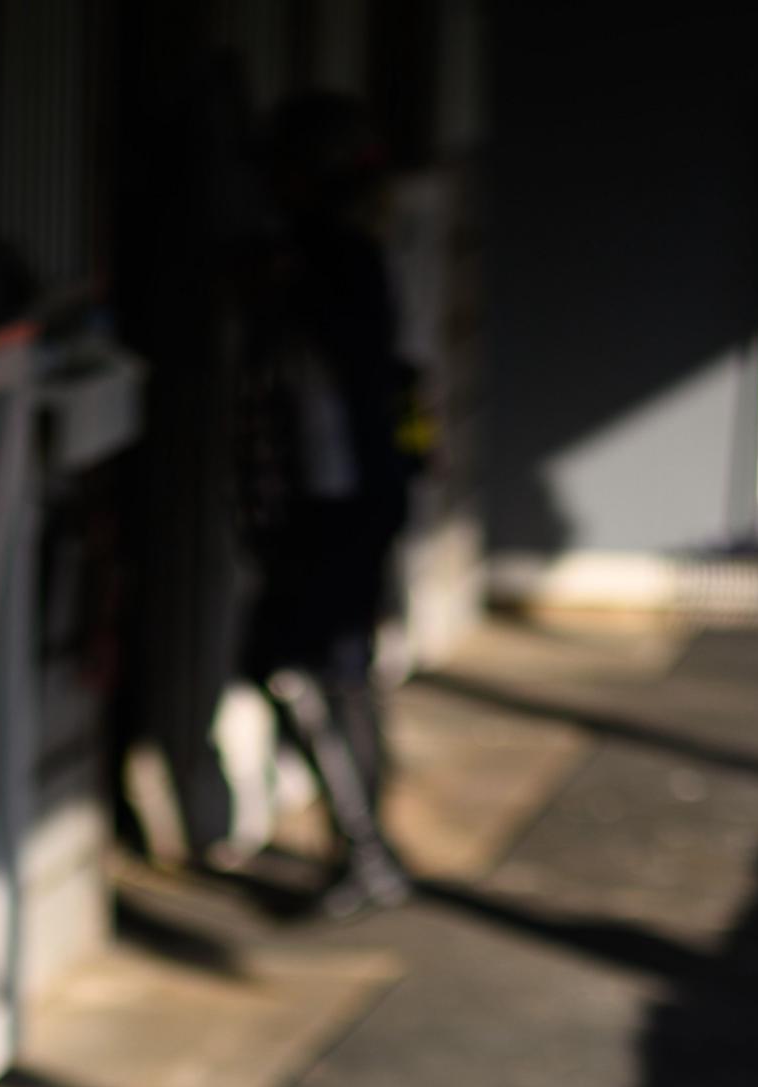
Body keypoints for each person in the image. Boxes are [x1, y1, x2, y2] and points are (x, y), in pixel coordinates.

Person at [238, 92, 419, 916]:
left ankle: (366, 853)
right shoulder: (335, 256)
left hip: (338, 500)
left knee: (311, 669)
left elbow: (343, 373)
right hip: (335, 497)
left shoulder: (333, 261)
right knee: (326, 669)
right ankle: (364, 849)